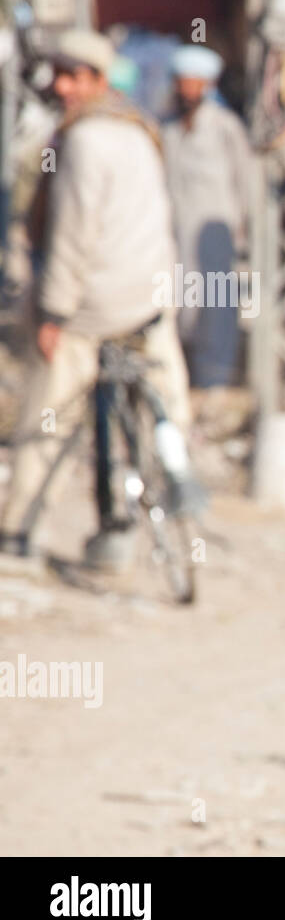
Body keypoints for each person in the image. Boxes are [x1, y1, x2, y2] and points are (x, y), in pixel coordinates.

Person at [0, 30, 191, 566]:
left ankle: (20, 529)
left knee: (49, 415)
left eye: (74, 77)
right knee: (167, 406)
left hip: (93, 307)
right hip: (149, 300)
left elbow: (70, 238)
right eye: (59, 76)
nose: (63, 87)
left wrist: (54, 314)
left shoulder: (81, 141)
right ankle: (169, 504)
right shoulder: (140, 130)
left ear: (98, 82)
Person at [161, 44, 252, 412]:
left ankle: (215, 378)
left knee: (217, 304)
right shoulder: (167, 129)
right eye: (182, 84)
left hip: (216, 235)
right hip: (175, 236)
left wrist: (243, 231)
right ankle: (185, 378)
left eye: (193, 84)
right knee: (182, 306)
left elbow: (246, 182)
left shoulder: (226, 127)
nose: (186, 91)